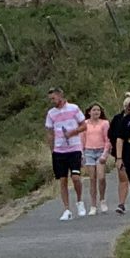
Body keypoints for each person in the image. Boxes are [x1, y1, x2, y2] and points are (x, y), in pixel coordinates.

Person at [44, 87, 86, 220]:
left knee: (75, 177)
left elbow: (84, 125)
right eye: (50, 99)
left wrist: (73, 132)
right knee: (62, 180)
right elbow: (50, 132)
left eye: (54, 98)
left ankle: (80, 201)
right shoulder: (51, 113)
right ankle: (67, 209)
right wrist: (52, 149)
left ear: (60, 95)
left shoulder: (73, 108)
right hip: (59, 150)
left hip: (74, 148)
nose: (52, 101)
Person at [110, 89, 130, 216]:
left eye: (129, 107)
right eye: (126, 107)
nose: (127, 109)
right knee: (123, 179)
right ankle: (121, 204)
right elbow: (112, 135)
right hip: (121, 154)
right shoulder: (117, 119)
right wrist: (117, 154)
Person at [80, 103, 111, 213]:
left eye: (98, 110)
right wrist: (82, 154)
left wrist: (105, 155)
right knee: (92, 178)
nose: (96, 112)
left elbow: (108, 140)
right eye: (94, 110)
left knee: (101, 177)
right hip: (89, 152)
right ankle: (93, 205)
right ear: (89, 112)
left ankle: (102, 200)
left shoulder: (104, 123)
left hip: (100, 151)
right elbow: (82, 139)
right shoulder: (85, 124)